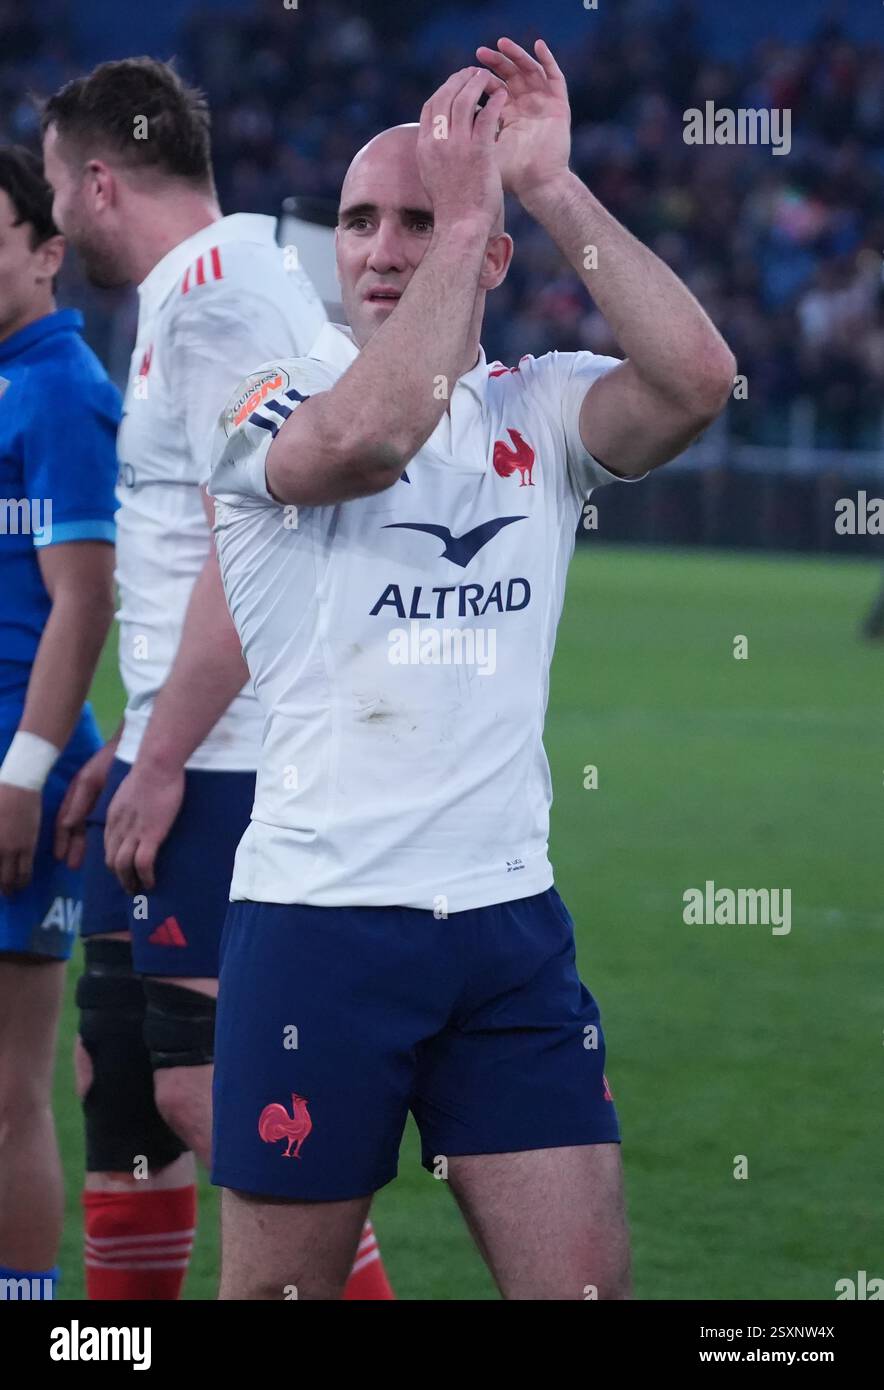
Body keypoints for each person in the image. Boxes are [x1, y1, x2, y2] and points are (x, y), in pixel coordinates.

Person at [208, 39, 736, 1299]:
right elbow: (378, 433)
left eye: (418, 219)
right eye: (358, 222)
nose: (384, 247)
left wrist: (546, 189)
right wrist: (464, 216)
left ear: (493, 258)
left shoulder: (537, 411)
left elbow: (700, 378)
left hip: (506, 931)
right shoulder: (272, 401)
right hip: (320, 927)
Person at [42, 58, 392, 1300]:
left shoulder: (218, 295)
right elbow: (192, 541)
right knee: (124, 1082)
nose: (55, 220)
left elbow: (259, 544)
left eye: (53, 190)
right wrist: (133, 746)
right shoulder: (206, 284)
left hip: (233, 762)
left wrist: (163, 758)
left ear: (95, 178)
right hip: (178, 749)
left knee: (206, 1091)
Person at [0, 146, 118, 1300]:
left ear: (45, 253)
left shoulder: (61, 388)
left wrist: (23, 773)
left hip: (15, 777)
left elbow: (84, 601)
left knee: (5, 1091)